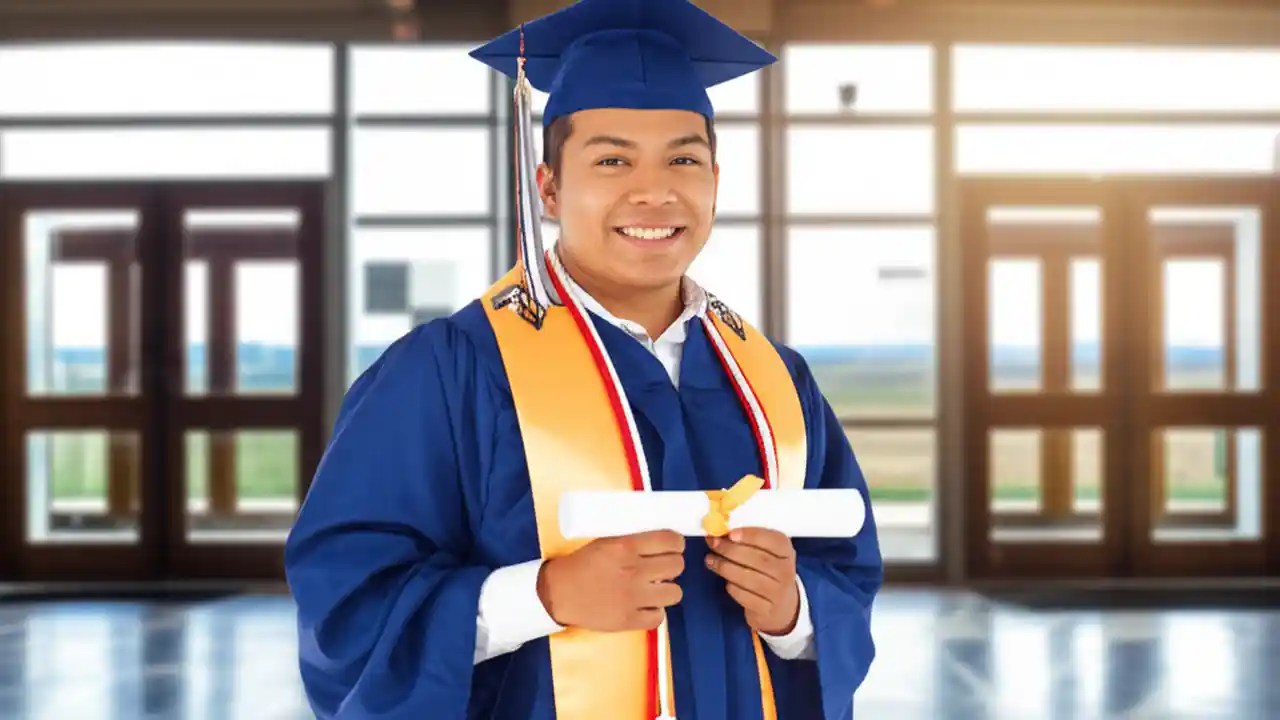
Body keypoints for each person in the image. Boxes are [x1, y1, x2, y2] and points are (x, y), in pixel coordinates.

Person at [284, 0, 883, 718]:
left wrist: (795, 612)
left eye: (684, 159)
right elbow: (345, 604)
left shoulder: (777, 381)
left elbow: (846, 575)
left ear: (716, 183)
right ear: (549, 189)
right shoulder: (449, 372)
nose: (654, 190)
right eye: (611, 159)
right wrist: (545, 595)